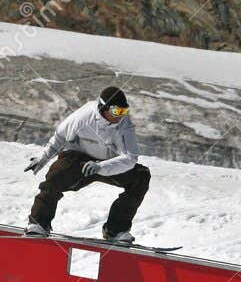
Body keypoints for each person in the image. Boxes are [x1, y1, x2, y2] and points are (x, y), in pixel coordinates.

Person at [24, 85, 150, 243]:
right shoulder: (84, 117)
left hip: (106, 164)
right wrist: (42, 159)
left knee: (141, 177)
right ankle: (38, 224)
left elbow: (130, 158)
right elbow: (60, 136)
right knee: (56, 174)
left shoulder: (124, 125)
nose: (120, 116)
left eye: (124, 111)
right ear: (103, 107)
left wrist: (101, 167)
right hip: (78, 159)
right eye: (116, 111)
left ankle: (115, 230)